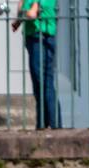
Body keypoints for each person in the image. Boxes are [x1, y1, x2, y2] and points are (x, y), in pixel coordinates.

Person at [11, 0, 60, 130]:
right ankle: (43, 123)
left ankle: (53, 123)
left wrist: (22, 9)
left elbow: (32, 13)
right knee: (40, 83)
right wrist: (19, 21)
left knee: (44, 82)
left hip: (41, 37)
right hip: (34, 36)